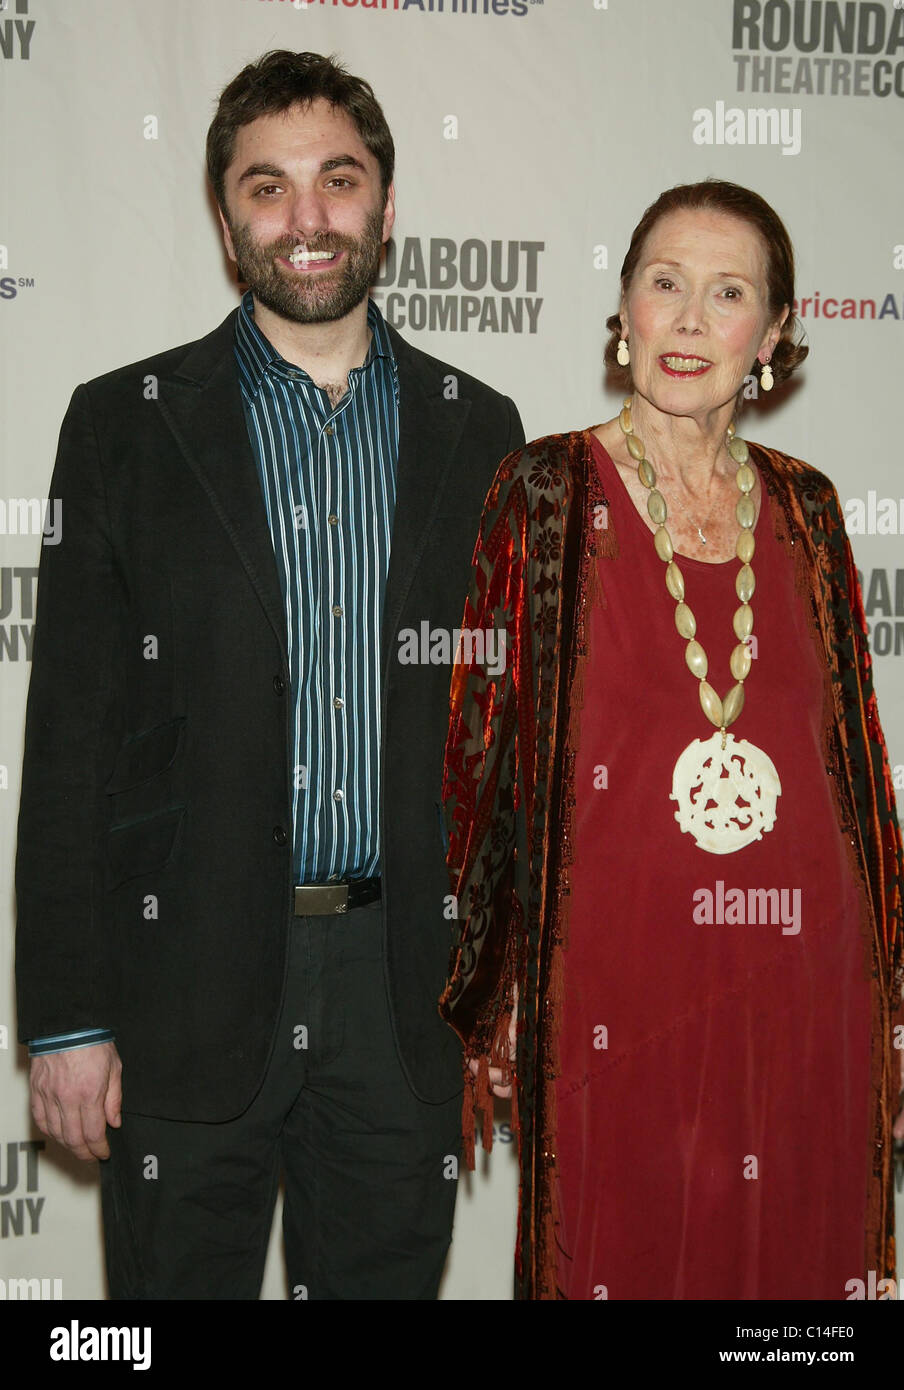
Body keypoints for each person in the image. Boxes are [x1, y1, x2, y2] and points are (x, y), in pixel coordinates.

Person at [15, 49, 523, 1300]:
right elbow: (70, 735)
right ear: (226, 215)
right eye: (267, 186)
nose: (307, 219)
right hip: (181, 978)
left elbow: (502, 739)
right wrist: (67, 1019)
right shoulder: (124, 421)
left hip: (403, 990)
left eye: (337, 180)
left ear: (386, 204)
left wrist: (500, 984)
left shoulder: (484, 427)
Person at [440, 179, 904, 1300]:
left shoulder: (807, 504)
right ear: (624, 309)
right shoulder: (543, 489)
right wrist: (480, 989)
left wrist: (892, 990)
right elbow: (478, 758)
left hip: (805, 982)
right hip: (612, 987)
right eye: (665, 283)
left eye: (727, 292)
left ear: (774, 335)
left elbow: (856, 759)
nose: (690, 319)